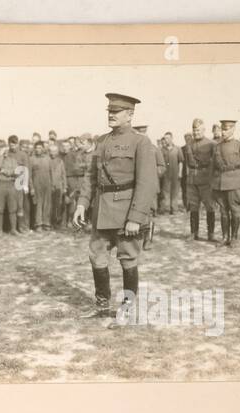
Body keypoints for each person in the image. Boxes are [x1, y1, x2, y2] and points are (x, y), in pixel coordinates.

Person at [72, 92, 158, 326]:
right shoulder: (101, 141)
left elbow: (147, 183)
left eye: (116, 111)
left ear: (130, 115)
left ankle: (127, 308)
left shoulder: (141, 142)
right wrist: (82, 204)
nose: (111, 114)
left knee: (128, 259)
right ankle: (102, 305)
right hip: (102, 211)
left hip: (126, 212)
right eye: (109, 111)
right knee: (97, 257)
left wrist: (136, 218)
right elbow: (91, 177)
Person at [211, 118, 240, 246]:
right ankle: (225, 237)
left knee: (234, 210)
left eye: (226, 129)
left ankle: (234, 238)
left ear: (233, 129)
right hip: (220, 183)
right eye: (222, 129)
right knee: (223, 211)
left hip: (234, 182)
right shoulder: (217, 146)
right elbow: (214, 166)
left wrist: (237, 174)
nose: (223, 132)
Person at [184, 119, 217, 242]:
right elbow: (187, 162)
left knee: (210, 207)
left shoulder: (211, 144)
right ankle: (194, 233)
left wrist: (212, 179)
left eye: (198, 130)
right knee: (193, 207)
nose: (195, 132)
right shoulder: (189, 144)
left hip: (206, 180)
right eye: (194, 130)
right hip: (192, 180)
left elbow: (215, 163)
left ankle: (211, 234)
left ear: (203, 130)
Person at [28, 141, 53, 229]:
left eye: (40, 148)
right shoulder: (31, 159)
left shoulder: (48, 158)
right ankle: (38, 224)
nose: (38, 149)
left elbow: (51, 173)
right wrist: (31, 187)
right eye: (36, 148)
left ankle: (46, 223)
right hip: (36, 185)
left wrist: (52, 185)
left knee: (47, 204)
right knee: (38, 204)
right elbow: (29, 175)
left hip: (47, 184)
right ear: (34, 149)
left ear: (43, 149)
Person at [48, 141, 67, 228]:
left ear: (57, 152)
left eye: (55, 151)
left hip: (59, 186)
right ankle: (49, 222)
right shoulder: (47, 160)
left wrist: (65, 187)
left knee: (58, 205)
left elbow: (63, 175)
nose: (53, 153)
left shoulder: (60, 161)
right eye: (51, 151)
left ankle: (56, 222)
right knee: (50, 205)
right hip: (49, 186)